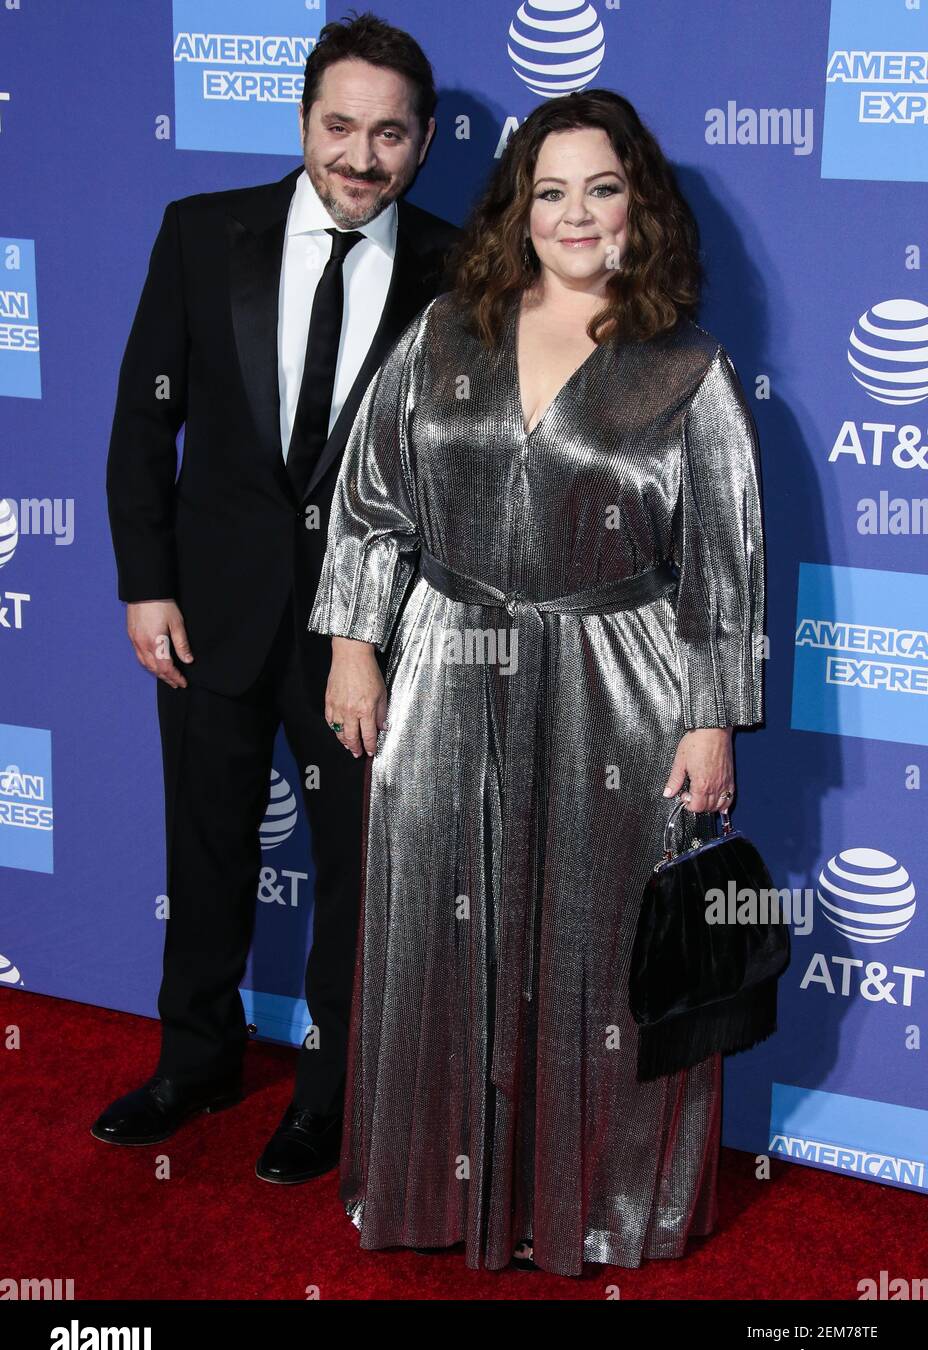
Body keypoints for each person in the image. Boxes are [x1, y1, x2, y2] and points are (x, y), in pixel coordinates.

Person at [307, 89, 766, 1276]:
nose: (573, 214)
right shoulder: (447, 332)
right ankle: (432, 1190)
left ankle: (591, 1207)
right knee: (428, 933)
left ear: (637, 205)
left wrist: (710, 717)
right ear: (517, 206)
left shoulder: (686, 369)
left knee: (595, 952)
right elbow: (368, 497)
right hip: (444, 669)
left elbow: (723, 562)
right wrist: (356, 642)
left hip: (617, 684)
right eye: (548, 190)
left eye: (600, 188)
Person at [96, 14, 459, 1184]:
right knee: (201, 851)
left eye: (389, 133)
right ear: (302, 119)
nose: (361, 156)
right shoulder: (203, 234)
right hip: (207, 612)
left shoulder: (455, 274)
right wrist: (146, 584)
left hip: (369, 640)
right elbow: (144, 423)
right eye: (340, 125)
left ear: (423, 140)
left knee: (360, 880)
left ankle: (330, 1095)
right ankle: (194, 1063)